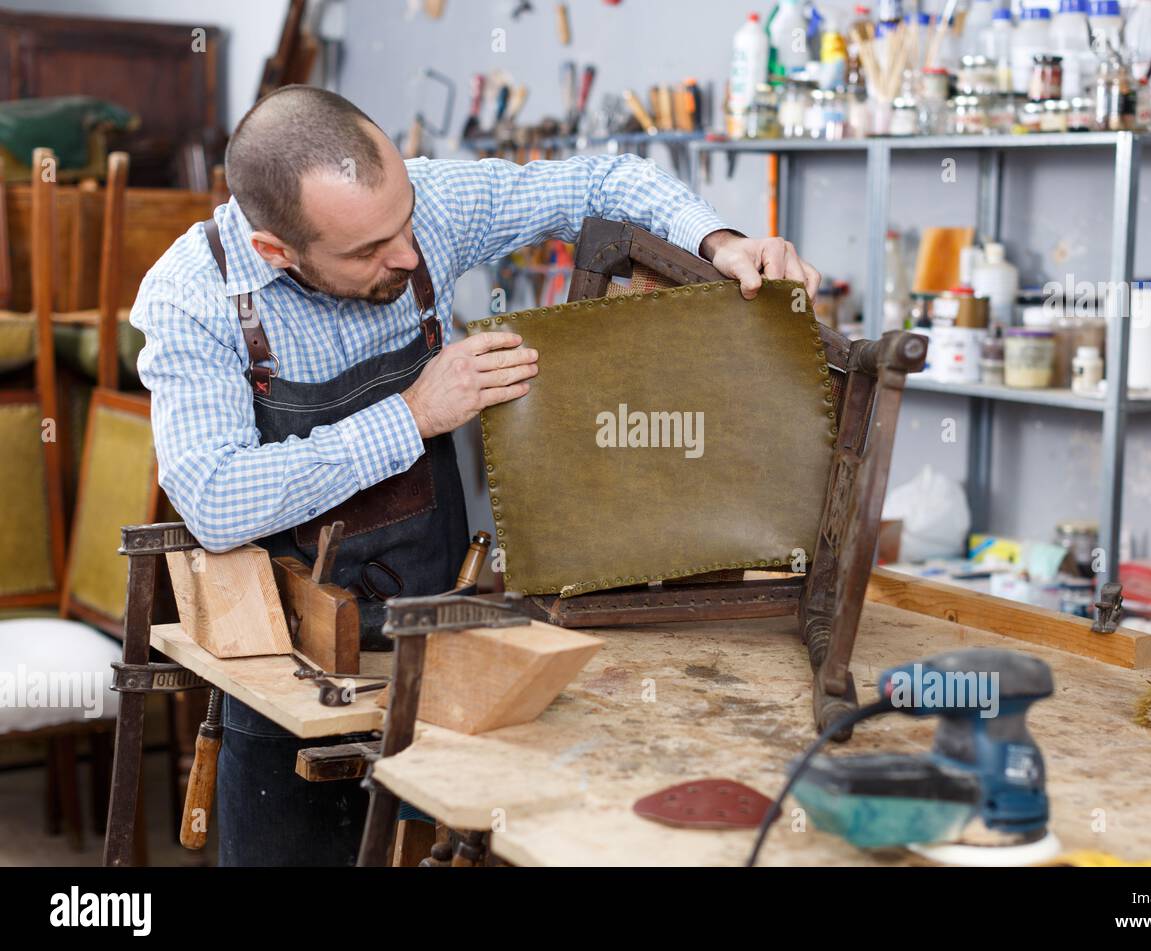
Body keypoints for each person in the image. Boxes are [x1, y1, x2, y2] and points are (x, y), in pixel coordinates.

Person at [131, 85, 823, 865]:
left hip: (445, 634)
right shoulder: (195, 296)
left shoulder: (425, 211)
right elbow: (216, 499)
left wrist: (718, 240)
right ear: (277, 251)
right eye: (367, 252)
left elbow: (602, 180)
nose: (407, 255)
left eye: (404, 223)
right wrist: (413, 415)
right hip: (292, 660)